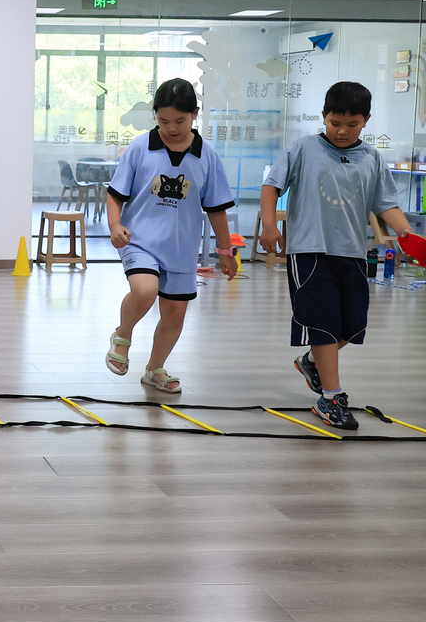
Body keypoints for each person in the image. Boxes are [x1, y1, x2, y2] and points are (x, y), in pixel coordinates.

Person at [261, 80, 416, 430]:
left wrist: (405, 233)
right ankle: (331, 397)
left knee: (354, 323)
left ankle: (313, 362)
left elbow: (386, 204)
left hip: (352, 253)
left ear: (366, 120)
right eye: (334, 123)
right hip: (310, 250)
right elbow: (272, 186)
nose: (342, 131)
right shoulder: (302, 148)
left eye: (352, 124)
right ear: (324, 116)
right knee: (323, 323)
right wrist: (270, 227)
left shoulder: (373, 159)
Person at [105, 78, 237, 394]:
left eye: (179, 120)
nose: (171, 128)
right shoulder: (140, 148)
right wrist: (114, 226)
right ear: (155, 116)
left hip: (181, 249)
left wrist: (226, 252)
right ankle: (122, 336)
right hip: (140, 241)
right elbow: (115, 195)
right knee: (145, 290)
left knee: (175, 315)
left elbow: (216, 209)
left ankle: (154, 369)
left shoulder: (207, 155)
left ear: (195, 114)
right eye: (163, 121)